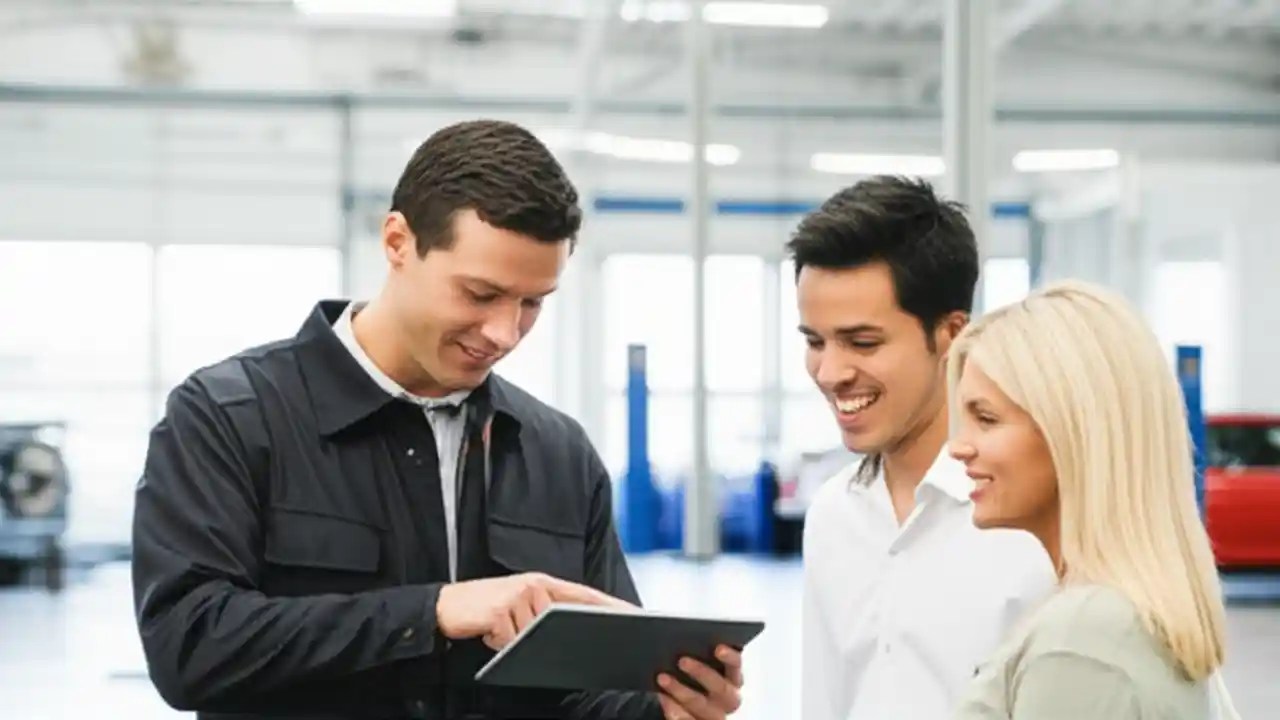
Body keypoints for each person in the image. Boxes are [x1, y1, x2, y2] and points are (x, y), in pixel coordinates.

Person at [132, 119, 743, 720]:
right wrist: (433, 612)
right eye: (479, 294)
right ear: (398, 242)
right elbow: (188, 646)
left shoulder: (557, 453)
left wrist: (666, 705)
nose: (505, 333)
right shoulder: (229, 417)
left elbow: (590, 688)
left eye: (532, 302)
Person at [790, 176, 1057, 720]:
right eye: (815, 342)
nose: (831, 372)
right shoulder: (833, 514)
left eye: (863, 342)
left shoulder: (1036, 520)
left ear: (951, 335)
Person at [948, 280, 1240, 720]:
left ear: (1076, 434)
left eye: (986, 418)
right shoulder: (1124, 618)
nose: (958, 446)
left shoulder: (1083, 640)